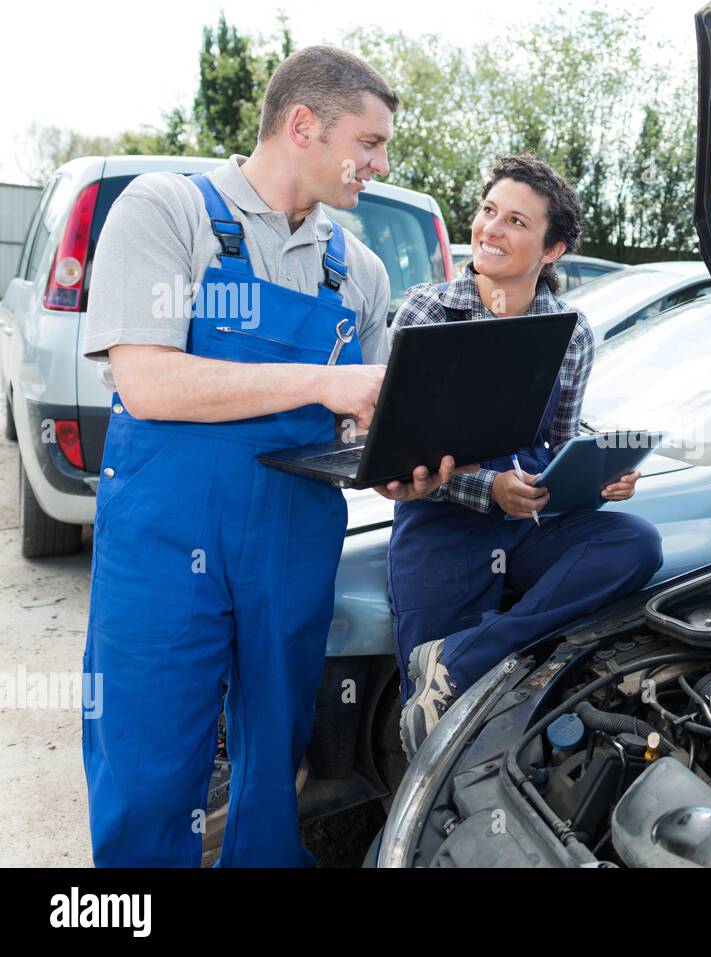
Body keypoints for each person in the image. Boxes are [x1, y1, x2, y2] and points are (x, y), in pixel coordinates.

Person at [81, 46, 458, 867]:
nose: (380, 164)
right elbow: (145, 381)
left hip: (291, 537)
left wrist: (396, 461)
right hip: (165, 533)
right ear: (302, 126)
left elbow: (354, 421)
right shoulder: (168, 212)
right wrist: (322, 384)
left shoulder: (353, 269)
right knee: (148, 762)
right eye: (369, 141)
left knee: (274, 762)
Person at [389, 154, 664, 757]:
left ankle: (462, 659)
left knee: (636, 542)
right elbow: (398, 460)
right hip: (442, 529)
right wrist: (487, 488)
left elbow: (561, 441)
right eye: (489, 211)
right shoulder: (427, 311)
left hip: (528, 528)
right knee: (432, 730)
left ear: (552, 250)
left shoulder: (572, 329)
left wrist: (599, 475)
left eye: (515, 221)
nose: (491, 229)